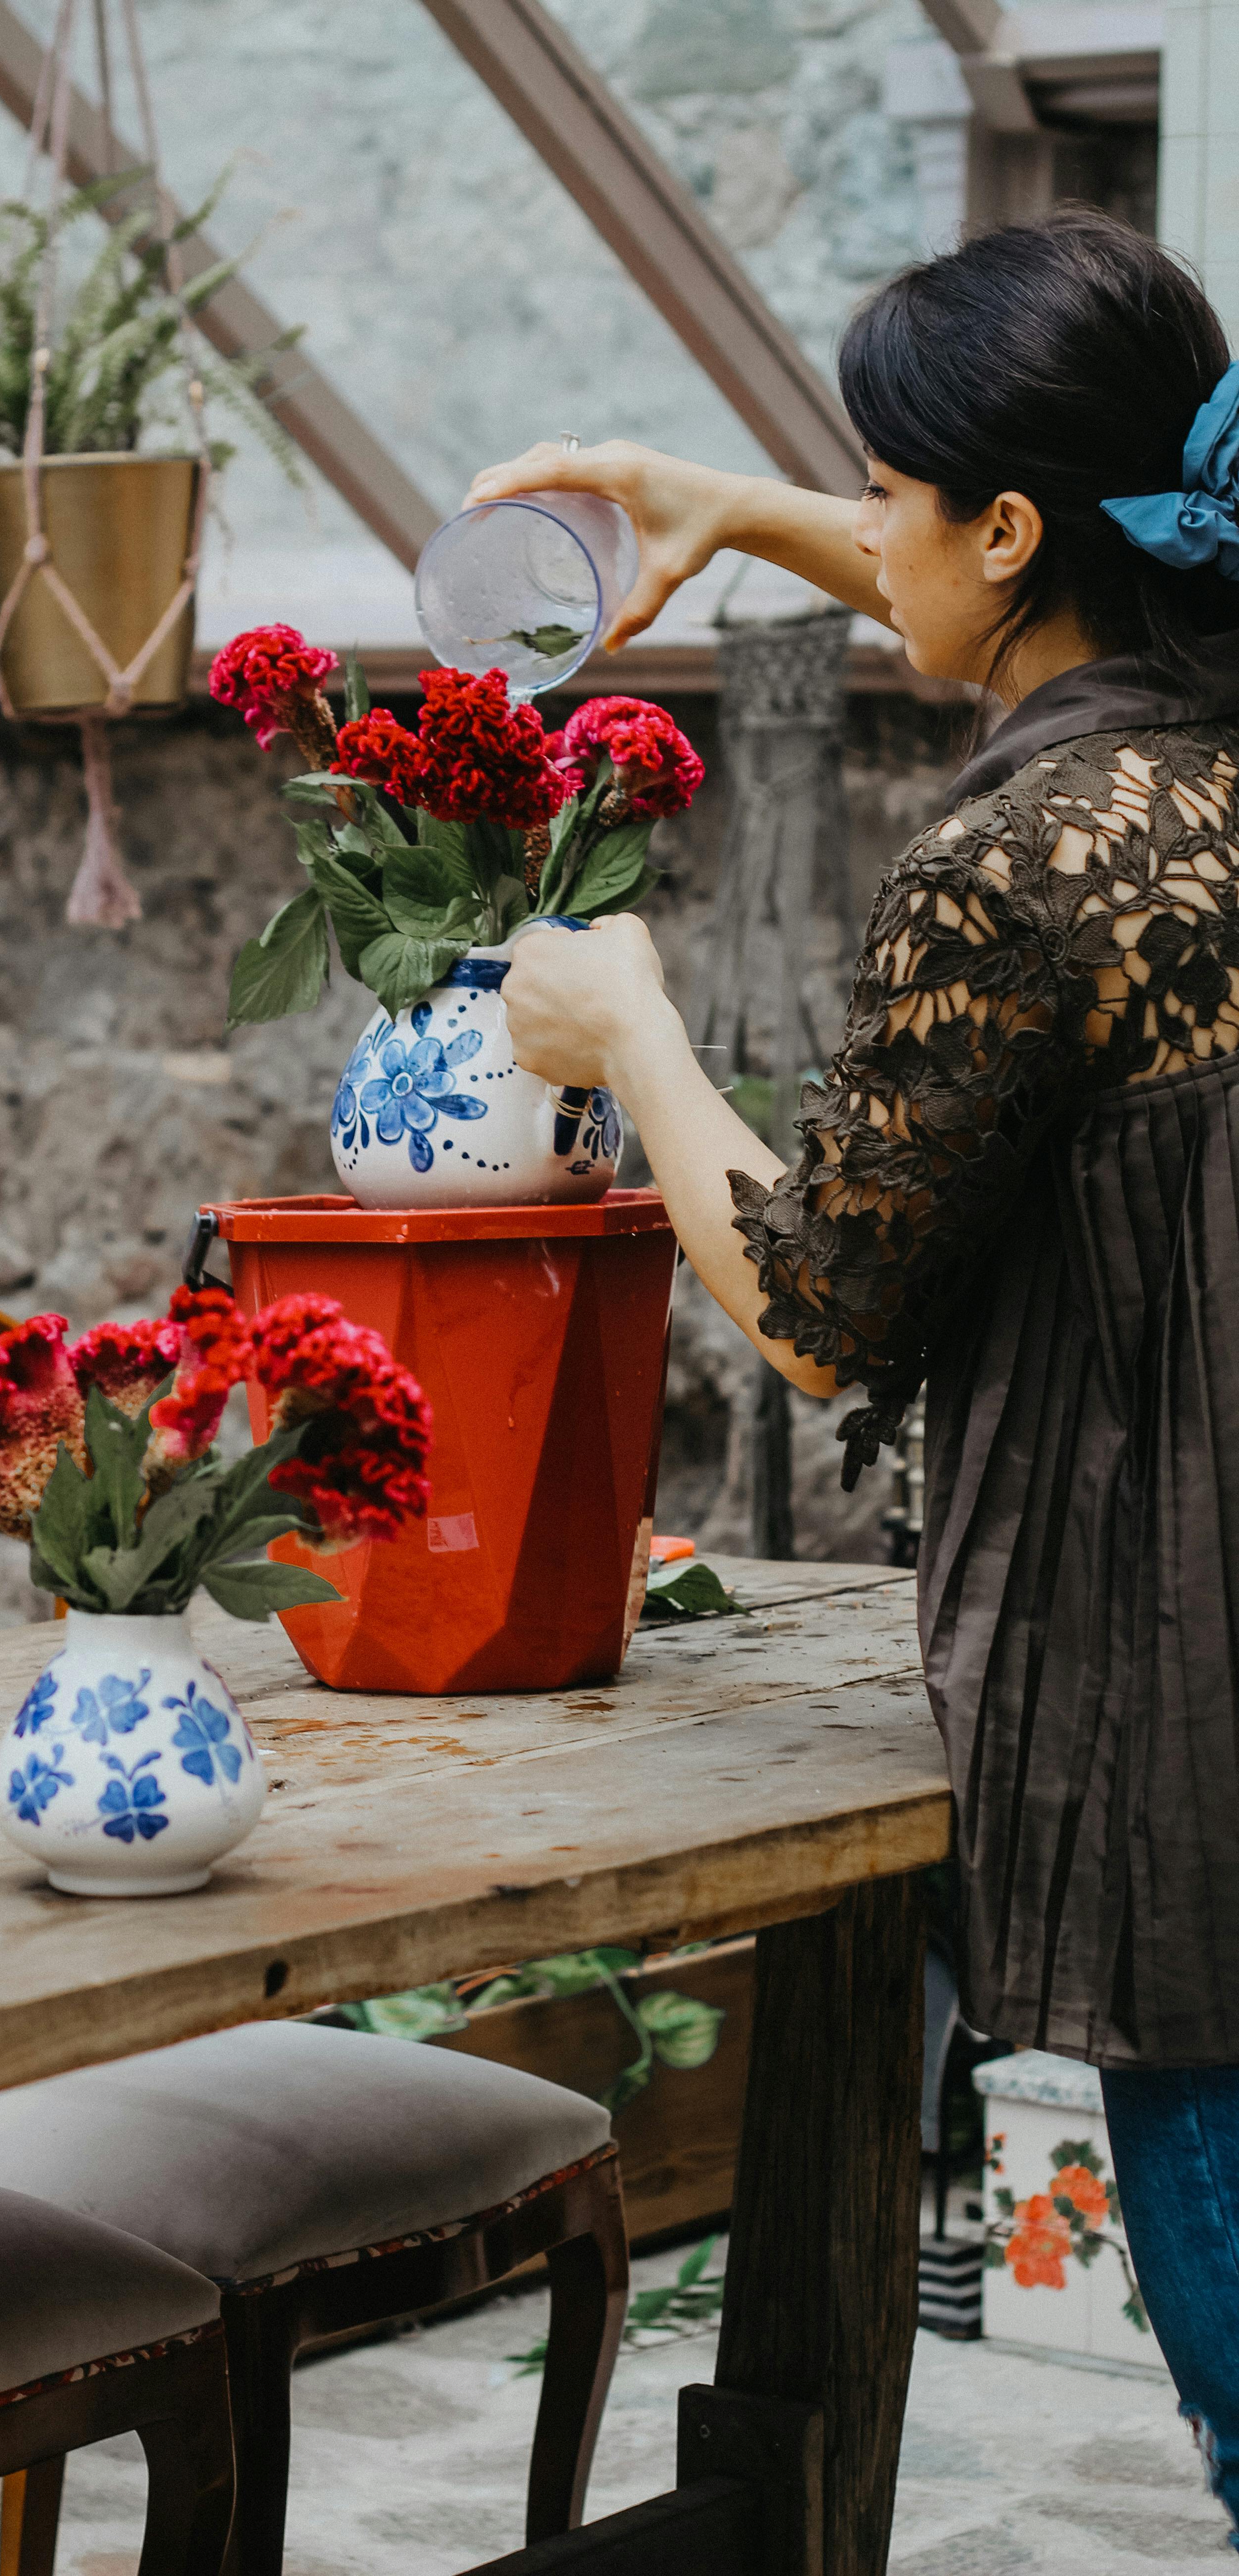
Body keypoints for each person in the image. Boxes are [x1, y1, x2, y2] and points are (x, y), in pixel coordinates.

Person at [469, 208, 1239, 2534]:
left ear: (1009, 527)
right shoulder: (1200, 770)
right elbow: (1033, 595)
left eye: (887, 496)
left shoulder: (1018, 859)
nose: (868, 536)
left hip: (1205, 1780)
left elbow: (820, 1304)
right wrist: (740, 506)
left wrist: (639, 1037)